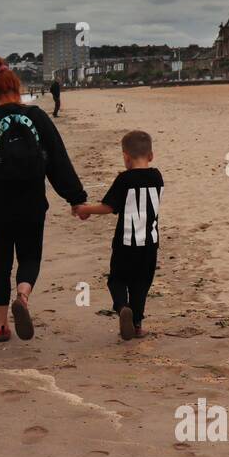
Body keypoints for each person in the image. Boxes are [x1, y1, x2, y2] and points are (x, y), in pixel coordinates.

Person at [0, 56, 86, 343]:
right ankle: (23, 295)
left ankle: (2, 326)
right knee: (30, 256)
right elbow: (58, 159)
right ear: (16, 87)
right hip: (32, 203)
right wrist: (75, 198)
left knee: (1, 263)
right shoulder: (37, 117)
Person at [73, 130, 164, 341]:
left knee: (117, 280)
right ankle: (137, 325)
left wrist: (85, 209)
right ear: (151, 155)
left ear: (126, 157)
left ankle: (123, 306)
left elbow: (108, 207)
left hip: (125, 243)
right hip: (150, 244)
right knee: (141, 284)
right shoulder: (157, 177)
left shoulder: (124, 180)